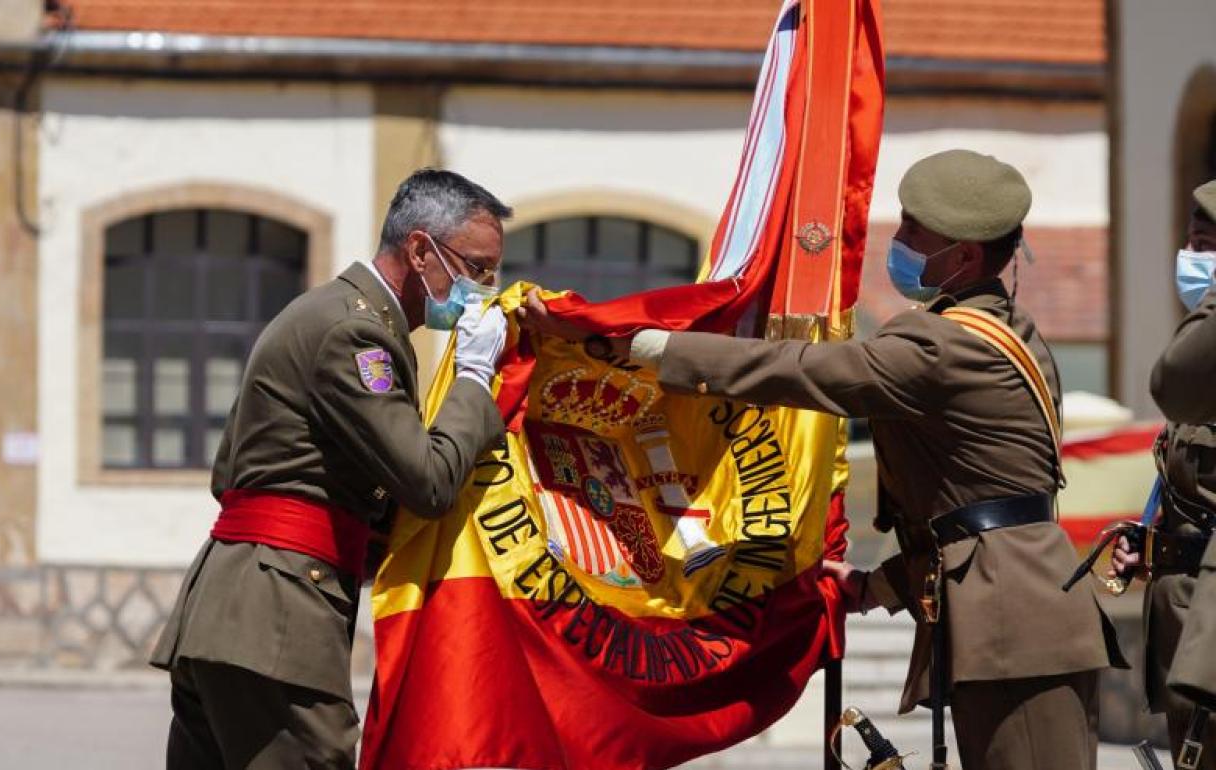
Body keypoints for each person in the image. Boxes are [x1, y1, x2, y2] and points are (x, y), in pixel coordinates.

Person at [520, 149, 1123, 770]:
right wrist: (872, 587)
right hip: (1013, 606)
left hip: (1014, 624)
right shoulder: (1004, 328)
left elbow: (801, 370)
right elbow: (971, 518)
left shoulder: (942, 343)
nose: (902, 240)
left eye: (916, 230)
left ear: (965, 256)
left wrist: (643, 344)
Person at [150, 169, 512, 769]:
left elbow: (234, 475)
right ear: (421, 250)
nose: (485, 290)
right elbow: (427, 482)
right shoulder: (356, 331)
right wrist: (474, 379)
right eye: (475, 269)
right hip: (275, 622)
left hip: (236, 611)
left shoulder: (332, 312)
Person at [1112, 179, 1216, 766]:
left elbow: (1169, 383)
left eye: (1208, 248)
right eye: (1191, 245)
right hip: (1186, 604)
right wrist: (1149, 542)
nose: (1194, 261)